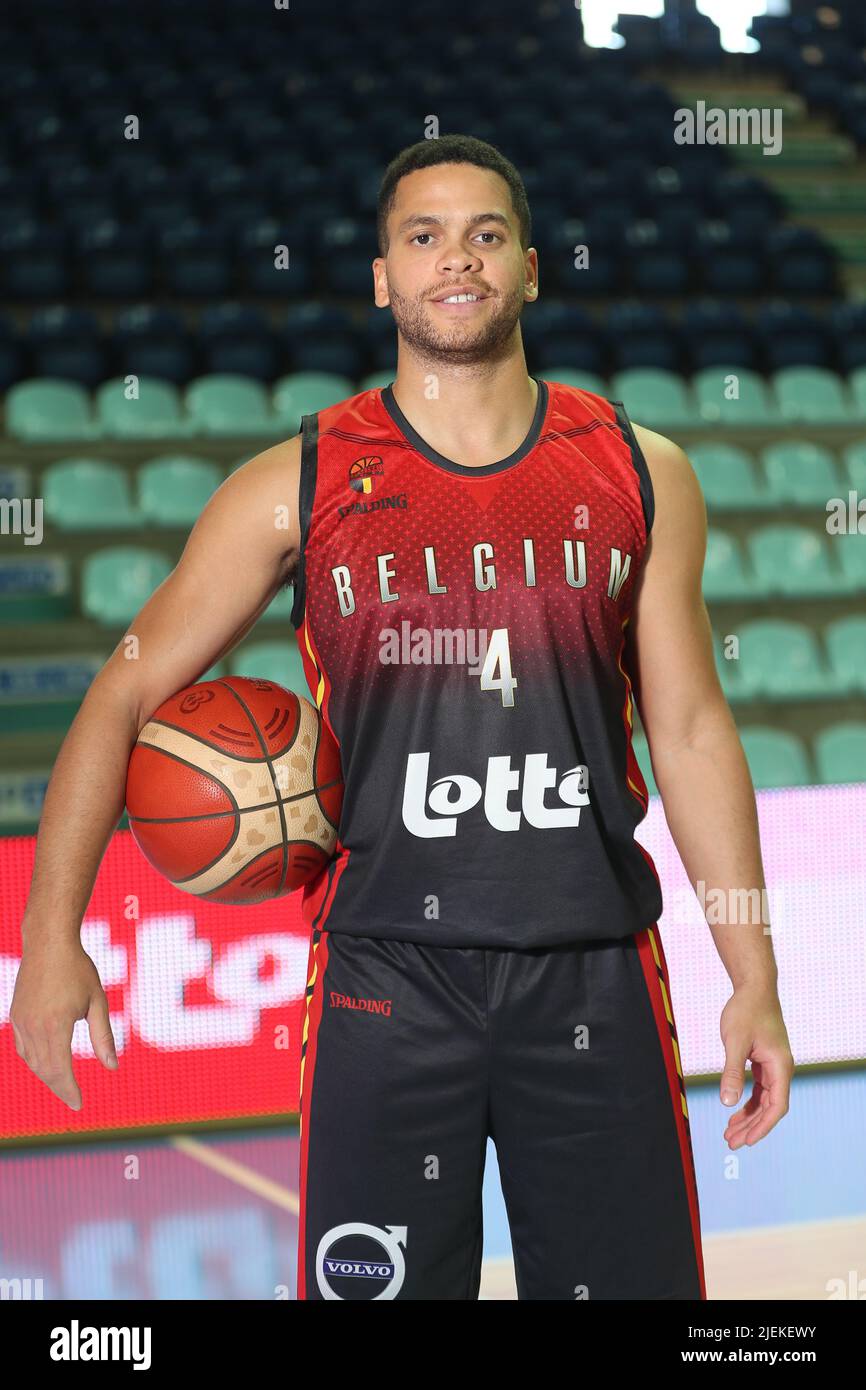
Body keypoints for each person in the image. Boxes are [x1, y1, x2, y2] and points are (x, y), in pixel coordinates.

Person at [12, 134, 794, 1301]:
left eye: (483, 235)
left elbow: (686, 729)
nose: (455, 261)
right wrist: (48, 936)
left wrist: (752, 974)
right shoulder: (301, 481)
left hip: (593, 977)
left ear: (528, 266)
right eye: (422, 238)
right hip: (386, 986)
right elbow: (122, 691)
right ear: (382, 276)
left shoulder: (639, 468)